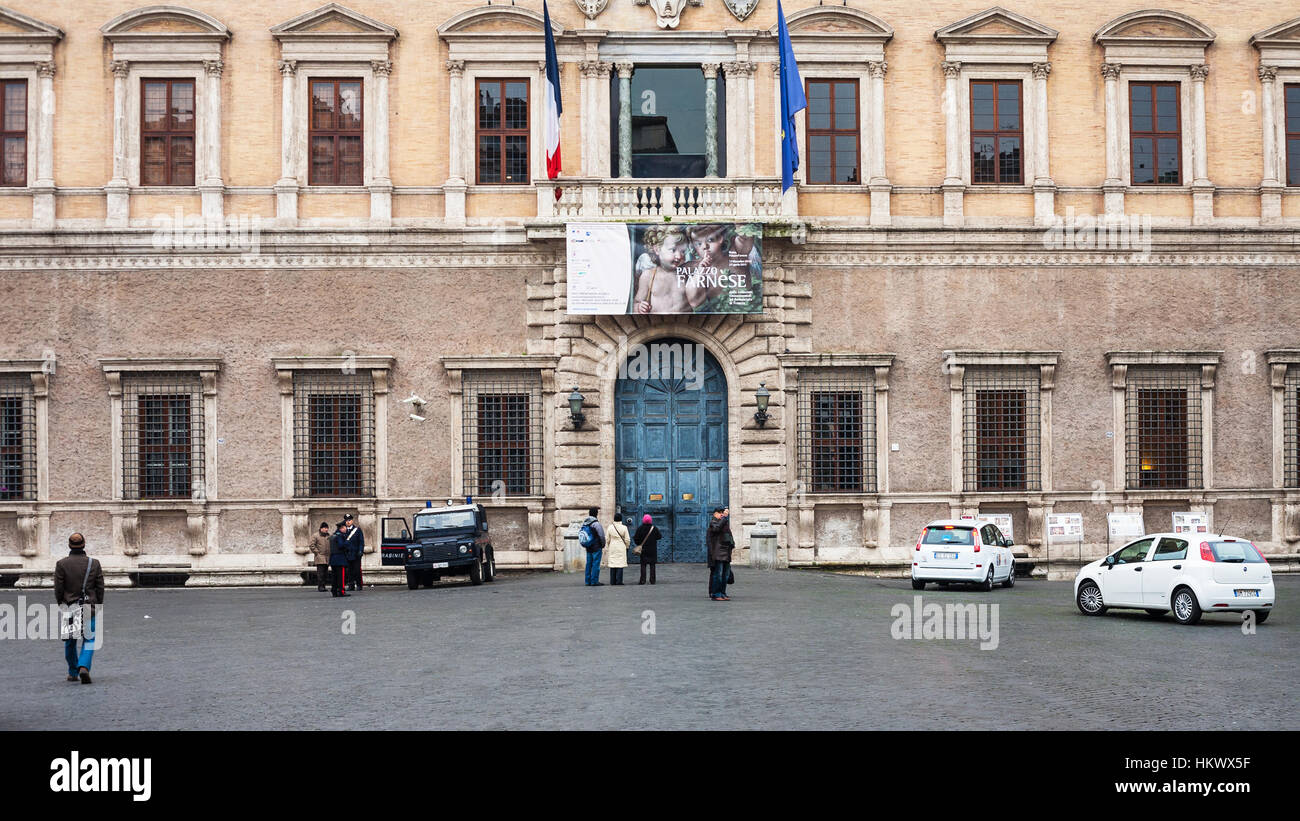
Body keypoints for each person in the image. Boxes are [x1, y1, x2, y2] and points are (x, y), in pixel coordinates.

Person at [54, 533, 104, 684]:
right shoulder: (94, 563)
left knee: (70, 641)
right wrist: (98, 604)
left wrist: (61, 603)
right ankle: (83, 666)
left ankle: (72, 672)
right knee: (89, 639)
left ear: (69, 545)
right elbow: (100, 587)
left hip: (70, 607)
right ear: (84, 544)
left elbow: (58, 589)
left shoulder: (61, 564)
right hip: (90, 606)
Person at [632, 227, 712, 314]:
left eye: (683, 251)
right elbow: (637, 301)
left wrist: (704, 260)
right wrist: (639, 307)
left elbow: (700, 263)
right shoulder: (649, 275)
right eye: (673, 250)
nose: (679, 256)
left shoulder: (685, 270)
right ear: (657, 249)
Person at [707, 507, 734, 601]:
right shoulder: (713, 523)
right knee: (718, 574)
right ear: (714, 514)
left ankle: (722, 593)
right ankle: (716, 593)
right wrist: (724, 518)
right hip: (718, 553)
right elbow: (716, 528)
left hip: (726, 553)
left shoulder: (723, 523)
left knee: (725, 575)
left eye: (723, 513)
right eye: (720, 513)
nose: (722, 514)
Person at [581, 506, 606, 586]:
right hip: (596, 547)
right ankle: (594, 581)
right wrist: (603, 544)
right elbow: (601, 535)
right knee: (596, 564)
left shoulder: (585, 523)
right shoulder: (596, 524)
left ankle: (587, 581)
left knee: (589, 564)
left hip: (589, 547)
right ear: (596, 514)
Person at [634, 514, 661, 585]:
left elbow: (636, 538)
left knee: (643, 565)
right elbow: (659, 536)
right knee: (652, 565)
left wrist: (639, 544)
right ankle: (652, 580)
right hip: (652, 549)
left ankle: (642, 580)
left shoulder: (640, 528)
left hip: (643, 549)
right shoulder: (654, 528)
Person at [604, 516, 632, 585]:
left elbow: (607, 538)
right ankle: (619, 581)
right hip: (621, 546)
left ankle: (612, 581)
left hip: (612, 546)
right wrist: (627, 546)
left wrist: (607, 546)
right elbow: (627, 539)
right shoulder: (624, 527)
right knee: (620, 563)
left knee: (613, 563)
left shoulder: (610, 527)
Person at [343, 513, 365, 591]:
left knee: (357, 570)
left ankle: (359, 584)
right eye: (346, 520)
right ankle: (351, 584)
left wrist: (360, 550)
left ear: (352, 521)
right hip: (347, 554)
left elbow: (361, 542)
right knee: (348, 571)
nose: (348, 522)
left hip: (356, 554)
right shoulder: (343, 530)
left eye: (349, 520)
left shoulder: (357, 530)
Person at [308, 521, 332, 592]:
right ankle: (320, 586)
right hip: (320, 556)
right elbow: (312, 545)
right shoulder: (315, 535)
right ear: (321, 528)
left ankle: (323, 586)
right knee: (320, 573)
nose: (326, 529)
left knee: (325, 573)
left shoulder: (328, 536)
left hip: (327, 557)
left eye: (327, 528)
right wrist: (317, 552)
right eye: (325, 528)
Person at [329, 521, 350, 597]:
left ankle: (334, 591)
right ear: (341, 528)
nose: (346, 529)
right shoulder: (340, 536)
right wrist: (347, 542)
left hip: (333, 559)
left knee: (334, 576)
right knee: (341, 576)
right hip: (340, 559)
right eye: (345, 528)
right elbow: (341, 545)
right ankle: (341, 591)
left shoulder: (333, 536)